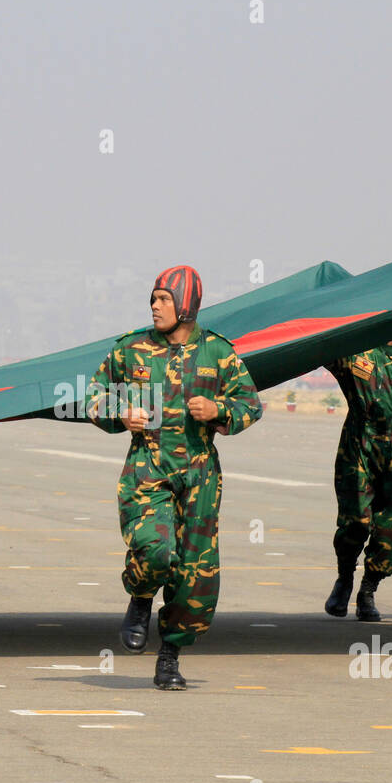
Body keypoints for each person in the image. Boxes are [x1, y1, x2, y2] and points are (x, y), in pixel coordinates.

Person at [86, 265, 262, 690]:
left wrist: (220, 411)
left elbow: (250, 405)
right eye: (153, 297)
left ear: (186, 304)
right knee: (155, 549)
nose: (154, 305)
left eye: (164, 298)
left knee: (196, 576)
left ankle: (169, 657)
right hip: (148, 469)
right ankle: (140, 596)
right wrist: (119, 414)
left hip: (200, 475)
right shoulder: (132, 349)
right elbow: (93, 394)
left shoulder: (218, 353)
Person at [322, 341, 392, 621]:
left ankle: (368, 590)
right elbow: (323, 349)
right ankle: (344, 578)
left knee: (389, 527)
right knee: (355, 520)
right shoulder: (360, 352)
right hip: (360, 441)